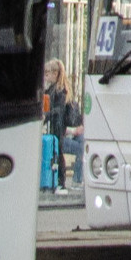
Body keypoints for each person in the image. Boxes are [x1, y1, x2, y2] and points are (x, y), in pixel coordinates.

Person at [41, 59, 84, 189]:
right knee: (57, 152)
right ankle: (58, 181)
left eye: (47, 73)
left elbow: (56, 110)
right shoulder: (54, 89)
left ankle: (60, 181)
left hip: (58, 127)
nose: (45, 76)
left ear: (55, 74)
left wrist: (46, 116)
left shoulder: (58, 91)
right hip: (58, 126)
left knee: (58, 152)